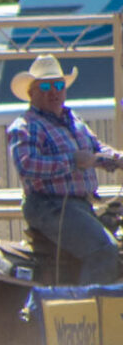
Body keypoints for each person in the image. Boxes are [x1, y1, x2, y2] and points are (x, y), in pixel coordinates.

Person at [6, 54, 123, 286]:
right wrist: (73, 161)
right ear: (32, 92)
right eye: (46, 86)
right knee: (104, 251)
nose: (54, 91)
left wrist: (116, 158)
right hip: (50, 206)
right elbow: (27, 165)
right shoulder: (25, 126)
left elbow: (95, 149)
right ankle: (89, 314)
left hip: (79, 205)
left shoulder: (74, 120)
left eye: (58, 85)